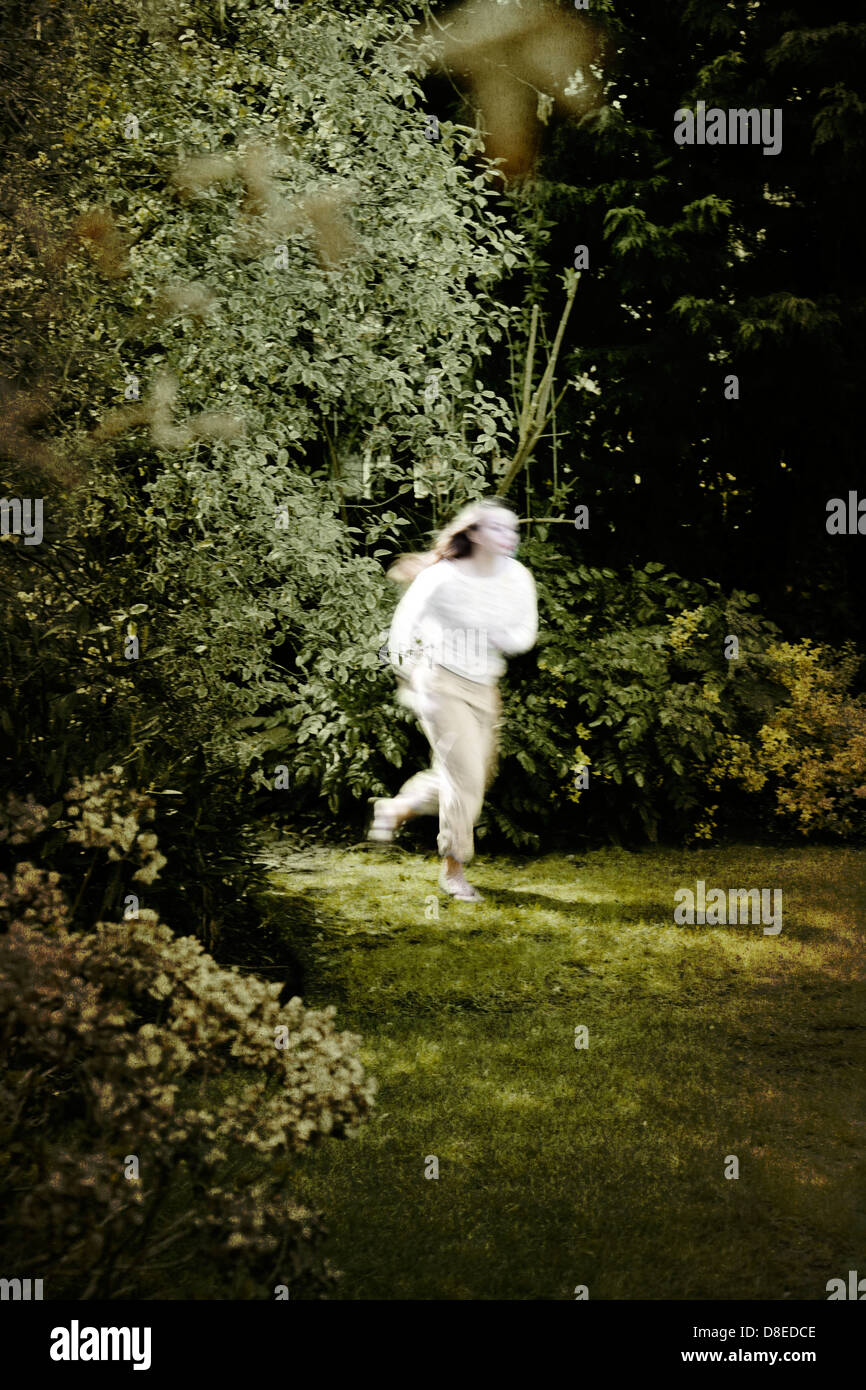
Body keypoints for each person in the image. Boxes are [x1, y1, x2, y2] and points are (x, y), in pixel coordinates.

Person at [369, 498, 537, 902]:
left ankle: (398, 808)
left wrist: (503, 639)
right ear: (475, 534)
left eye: (513, 530)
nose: (509, 537)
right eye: (498, 528)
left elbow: (526, 632)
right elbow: (402, 627)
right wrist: (408, 675)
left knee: (472, 778)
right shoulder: (441, 578)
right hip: (439, 682)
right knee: (465, 779)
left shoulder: (517, 576)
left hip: (485, 688)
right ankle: (453, 870)